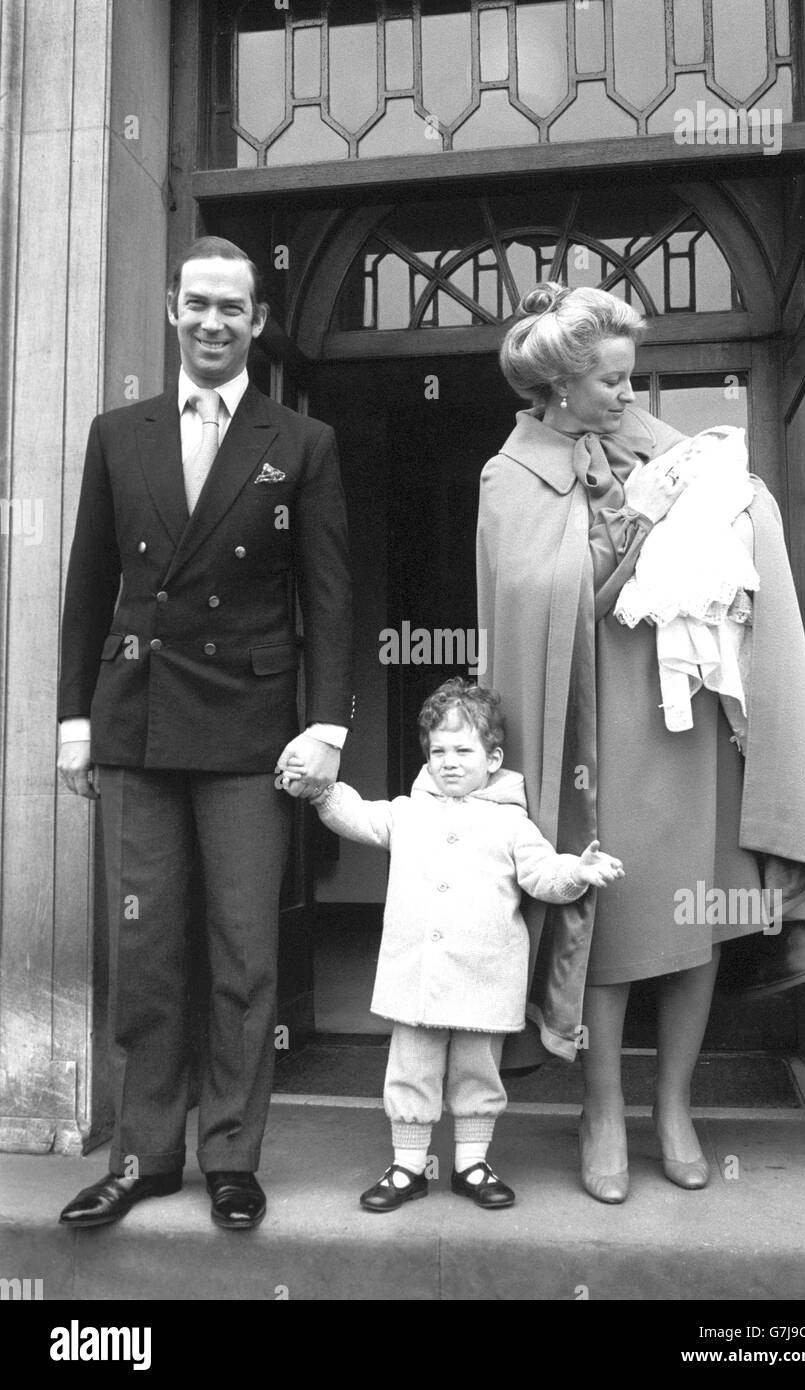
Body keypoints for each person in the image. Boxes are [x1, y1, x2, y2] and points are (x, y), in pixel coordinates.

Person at [476, 282, 805, 1204]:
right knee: (609, 927)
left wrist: (736, 499)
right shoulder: (508, 476)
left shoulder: (661, 445)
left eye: (630, 375)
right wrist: (638, 519)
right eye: (610, 380)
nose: (627, 393)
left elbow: (742, 525)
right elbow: (535, 600)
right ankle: (602, 1109)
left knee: (697, 916)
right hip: (592, 731)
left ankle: (675, 1107)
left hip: (689, 720)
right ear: (559, 385)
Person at [56, 236, 353, 1230]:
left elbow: (328, 592)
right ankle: (145, 1156)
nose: (213, 322)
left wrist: (327, 725)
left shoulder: (300, 442)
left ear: (257, 321)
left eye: (233, 307)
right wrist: (73, 719)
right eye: (198, 304)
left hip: (248, 731)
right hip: (135, 721)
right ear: (171, 310)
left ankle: (231, 1155)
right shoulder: (118, 432)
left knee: (242, 953)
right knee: (145, 952)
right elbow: (88, 585)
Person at [291, 678, 622, 1211]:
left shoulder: (511, 823)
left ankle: (471, 1165)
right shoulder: (408, 812)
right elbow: (359, 816)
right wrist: (321, 790)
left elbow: (542, 874)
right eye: (438, 751)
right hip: (418, 979)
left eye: (463, 751)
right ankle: (407, 1168)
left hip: (484, 979)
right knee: (411, 1070)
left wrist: (577, 872)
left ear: (493, 759)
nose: (449, 762)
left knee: (477, 1073)